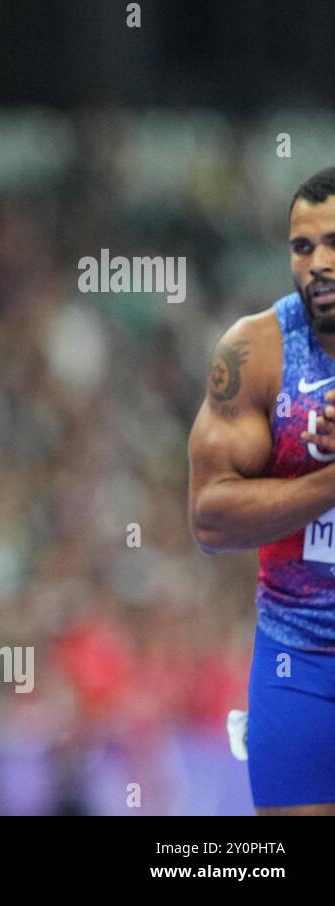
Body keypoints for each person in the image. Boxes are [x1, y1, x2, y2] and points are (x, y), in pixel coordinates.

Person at [189, 167, 335, 814]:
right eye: (303, 247)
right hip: (297, 655)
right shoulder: (256, 353)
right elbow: (211, 521)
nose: (318, 263)